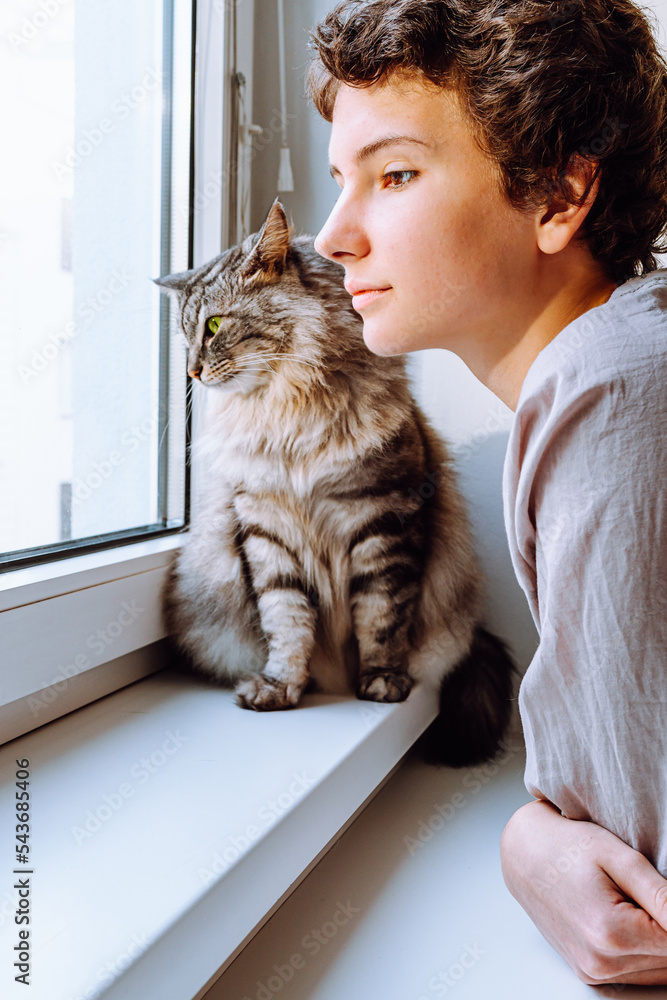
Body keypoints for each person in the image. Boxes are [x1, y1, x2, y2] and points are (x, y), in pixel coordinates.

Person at [306, 0, 667, 987]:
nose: (335, 235)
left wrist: (528, 838)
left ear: (558, 193)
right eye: (344, 182)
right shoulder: (617, 361)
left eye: (395, 175)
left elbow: (632, 888)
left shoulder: (612, 388)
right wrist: (529, 838)